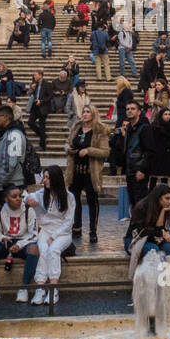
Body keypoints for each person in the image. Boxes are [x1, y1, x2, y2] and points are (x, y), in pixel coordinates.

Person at [24, 165, 75, 305]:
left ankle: (53, 289)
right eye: (44, 177)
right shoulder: (42, 193)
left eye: (47, 178)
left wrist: (54, 236)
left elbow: (69, 222)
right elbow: (28, 197)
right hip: (46, 230)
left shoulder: (69, 197)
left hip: (63, 233)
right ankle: (40, 288)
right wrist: (29, 200)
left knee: (53, 250)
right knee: (43, 251)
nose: (44, 180)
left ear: (55, 179)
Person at [66, 105, 108, 247]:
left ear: (93, 114)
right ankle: (76, 227)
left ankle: (93, 231)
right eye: (83, 111)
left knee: (92, 201)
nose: (84, 114)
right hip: (76, 170)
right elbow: (67, 143)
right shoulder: (76, 127)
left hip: (91, 172)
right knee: (74, 199)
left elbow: (105, 152)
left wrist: (89, 150)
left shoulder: (99, 130)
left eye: (88, 112)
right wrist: (69, 149)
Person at [0, 184, 40, 302]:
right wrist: (2, 238)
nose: (18, 199)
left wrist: (19, 245)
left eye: (20, 196)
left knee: (34, 249)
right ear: (6, 199)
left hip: (23, 243)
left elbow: (33, 234)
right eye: (14, 196)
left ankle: (24, 288)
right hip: (6, 242)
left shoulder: (29, 210)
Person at [126, 183, 170, 276]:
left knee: (168, 248)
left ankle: (167, 281)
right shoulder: (142, 207)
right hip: (137, 239)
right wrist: (162, 233)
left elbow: (159, 228)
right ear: (158, 198)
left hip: (153, 237)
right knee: (153, 249)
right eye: (167, 198)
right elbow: (142, 232)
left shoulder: (163, 207)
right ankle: (152, 282)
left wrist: (163, 212)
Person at [0, 105, 28, 208]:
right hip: (6, 185)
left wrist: (1, 182)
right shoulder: (7, 133)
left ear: (6, 117)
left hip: (9, 186)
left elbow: (11, 162)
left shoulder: (14, 135)